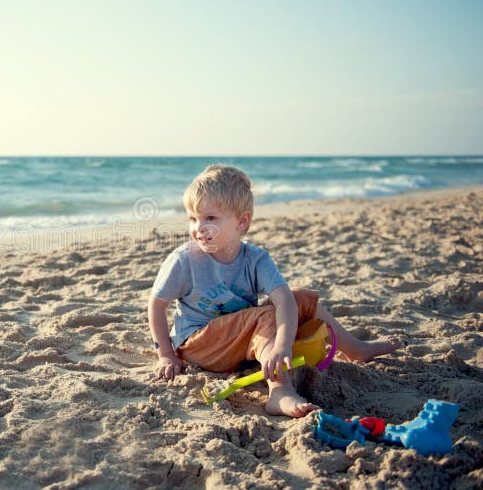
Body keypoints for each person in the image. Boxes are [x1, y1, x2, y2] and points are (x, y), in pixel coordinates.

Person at [148, 165, 403, 417]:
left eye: (210, 218)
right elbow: (157, 305)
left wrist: (283, 346)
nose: (198, 228)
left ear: (242, 221)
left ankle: (355, 348)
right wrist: (166, 355)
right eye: (193, 218)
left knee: (298, 297)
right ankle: (280, 391)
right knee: (266, 316)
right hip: (200, 344)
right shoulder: (184, 260)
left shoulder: (255, 258)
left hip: (241, 340)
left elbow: (283, 300)